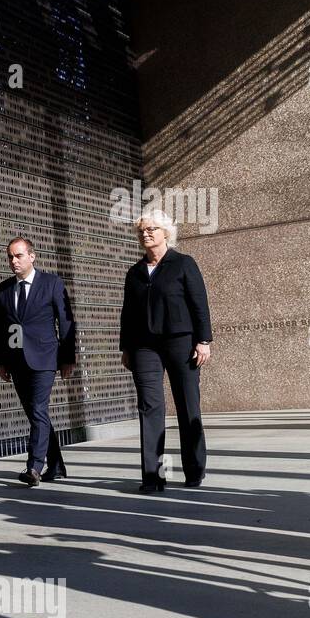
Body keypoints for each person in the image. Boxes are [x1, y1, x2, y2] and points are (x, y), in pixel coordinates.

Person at [119, 208, 213, 493]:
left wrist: (204, 341)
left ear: (165, 233)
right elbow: (127, 313)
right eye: (141, 231)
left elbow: (199, 303)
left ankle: (194, 470)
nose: (145, 234)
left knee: (187, 405)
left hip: (181, 342)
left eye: (151, 229)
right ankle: (152, 475)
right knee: (150, 407)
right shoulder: (134, 272)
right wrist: (125, 348)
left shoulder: (183, 264)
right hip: (144, 346)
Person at [0, 237, 76, 487]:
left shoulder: (51, 283)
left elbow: (66, 322)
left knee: (39, 409)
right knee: (35, 414)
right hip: (16, 361)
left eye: (18, 256)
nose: (13, 261)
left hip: (45, 358)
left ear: (32, 256)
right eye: (10, 257)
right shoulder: (4, 289)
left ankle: (34, 466)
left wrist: (67, 358)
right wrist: (0, 361)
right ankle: (57, 464)